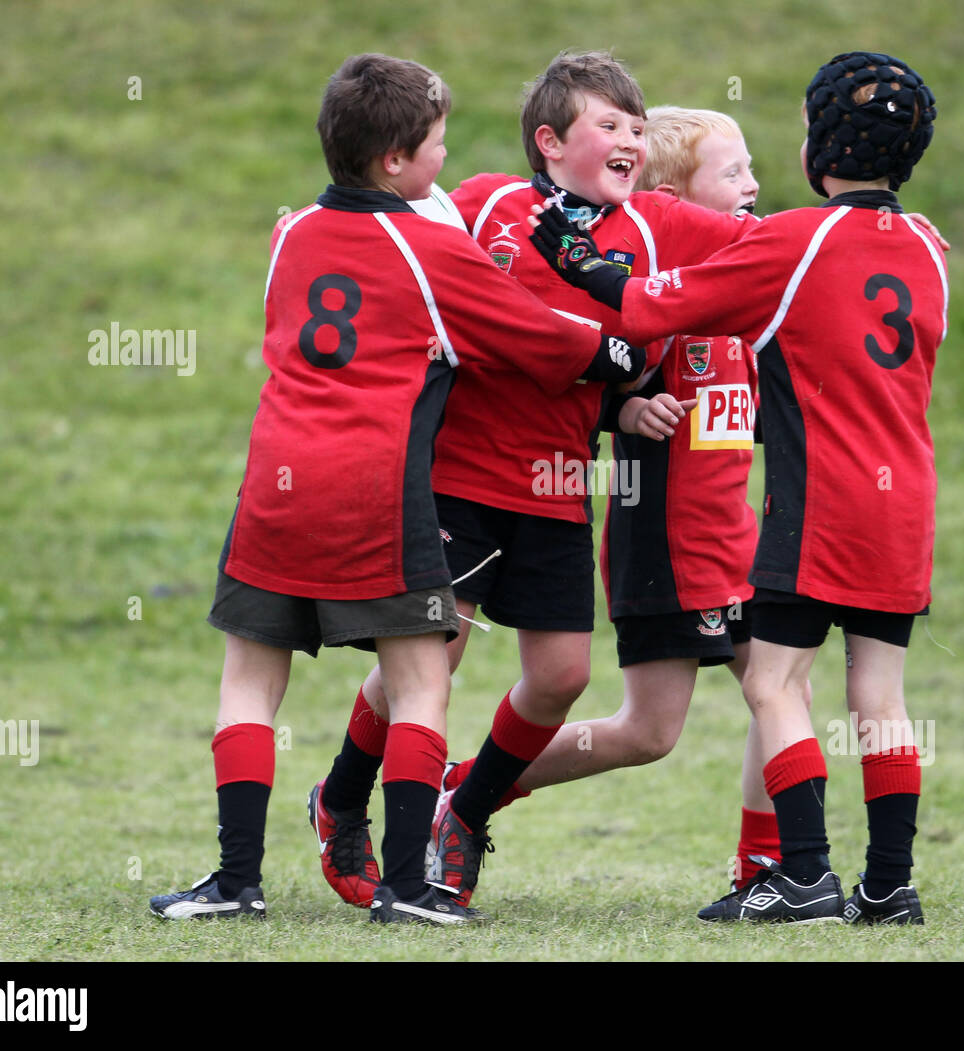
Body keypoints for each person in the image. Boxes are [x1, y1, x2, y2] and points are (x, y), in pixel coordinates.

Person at [148, 52, 642, 927]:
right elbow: (533, 334)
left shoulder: (290, 233)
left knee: (248, 685)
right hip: (377, 490)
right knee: (420, 683)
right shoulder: (432, 248)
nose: (446, 161)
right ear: (396, 163)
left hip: (273, 485)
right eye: (438, 146)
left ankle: (233, 881)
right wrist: (612, 357)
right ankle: (410, 888)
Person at [312, 50, 762, 911]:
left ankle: (467, 807)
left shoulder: (656, 224)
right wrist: (312, 223)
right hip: (463, 474)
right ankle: (340, 798)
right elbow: (382, 227)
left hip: (560, 486)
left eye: (637, 127)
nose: (630, 138)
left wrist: (871, 222)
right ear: (551, 142)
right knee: (429, 658)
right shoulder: (486, 204)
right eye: (610, 125)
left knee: (560, 675)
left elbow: (764, 247)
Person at [530, 51, 946, 925]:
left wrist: (568, 252)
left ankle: (800, 874)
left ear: (818, 150)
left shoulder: (795, 239)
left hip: (821, 504)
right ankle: (891, 885)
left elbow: (646, 306)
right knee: (881, 695)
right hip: (906, 502)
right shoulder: (930, 247)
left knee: (775, 685)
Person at [435, 105, 786, 896]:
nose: (753, 184)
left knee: (748, 698)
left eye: (752, 166)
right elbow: (592, 369)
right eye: (731, 173)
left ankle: (766, 866)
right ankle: (470, 786)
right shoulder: (653, 299)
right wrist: (625, 407)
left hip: (739, 541)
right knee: (659, 727)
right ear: (672, 201)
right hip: (666, 543)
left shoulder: (749, 299)